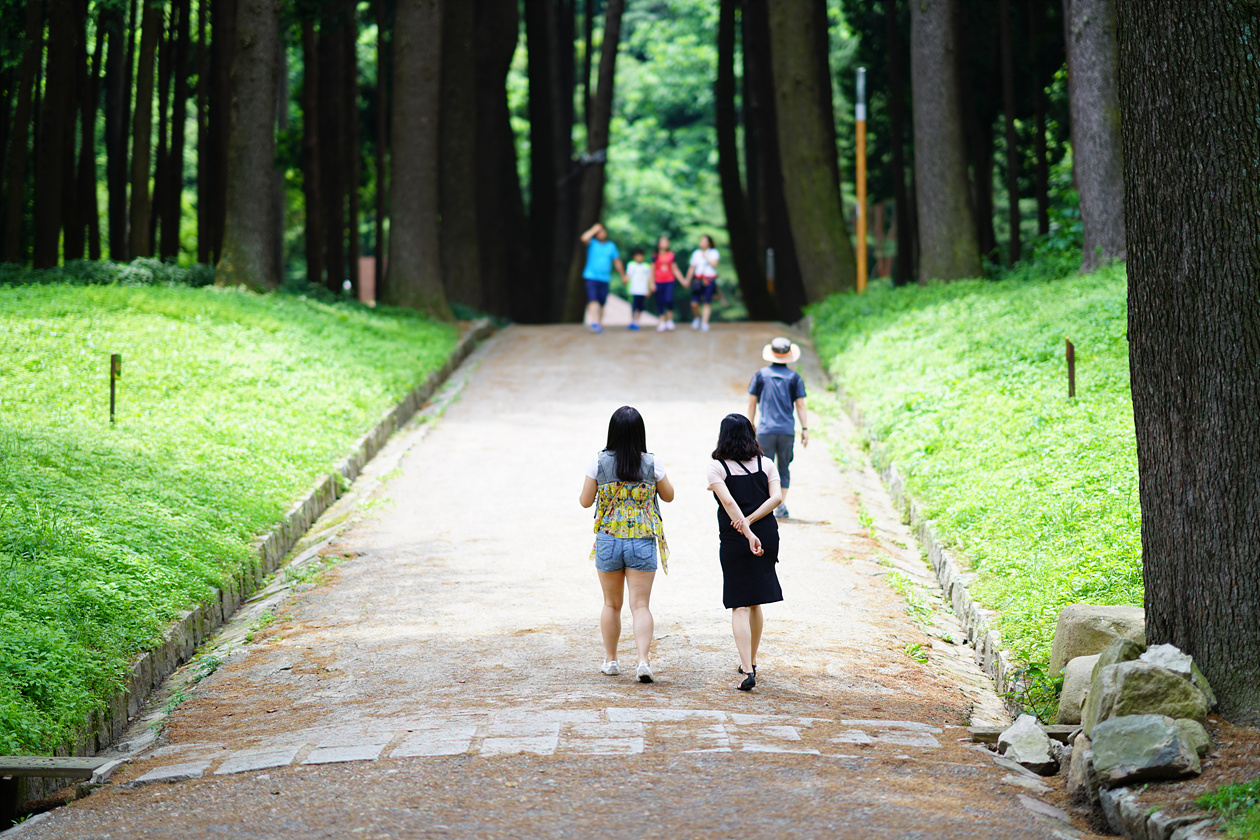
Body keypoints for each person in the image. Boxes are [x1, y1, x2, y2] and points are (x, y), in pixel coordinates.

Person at [580, 406, 674, 682]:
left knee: (611, 604)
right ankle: (643, 662)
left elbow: (585, 501)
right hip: (642, 540)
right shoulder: (652, 463)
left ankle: (611, 660)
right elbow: (669, 496)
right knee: (640, 605)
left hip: (609, 539)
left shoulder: (598, 462)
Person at [706, 413, 783, 691]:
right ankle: (751, 659)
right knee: (755, 602)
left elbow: (728, 502)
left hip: (734, 538)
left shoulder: (717, 468)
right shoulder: (767, 464)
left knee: (739, 603)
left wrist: (745, 527)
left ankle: (747, 669)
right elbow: (776, 498)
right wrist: (753, 526)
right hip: (767, 534)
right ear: (751, 434)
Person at [747, 337, 809, 519]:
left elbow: (752, 403)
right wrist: (805, 428)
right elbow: (801, 406)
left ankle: (763, 506)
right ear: (789, 355)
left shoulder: (760, 375)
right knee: (783, 468)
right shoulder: (795, 378)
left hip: (765, 430)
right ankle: (780, 506)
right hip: (786, 431)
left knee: (762, 468)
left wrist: (750, 426)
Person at [580, 222, 627, 334]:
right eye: (599, 232)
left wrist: (623, 275)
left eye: (602, 231)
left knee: (602, 302)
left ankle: (599, 323)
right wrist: (594, 229)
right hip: (591, 276)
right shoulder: (592, 243)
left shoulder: (611, 246)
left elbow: (617, 262)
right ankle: (594, 321)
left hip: (605, 279)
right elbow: (583, 238)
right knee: (592, 299)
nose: (601, 234)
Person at [685, 234, 720, 332]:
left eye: (704, 241)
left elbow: (714, 264)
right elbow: (692, 267)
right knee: (694, 302)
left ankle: (705, 322)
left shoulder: (714, 252)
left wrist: (705, 257)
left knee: (707, 302)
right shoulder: (696, 253)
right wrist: (687, 280)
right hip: (698, 280)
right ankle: (697, 318)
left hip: (709, 280)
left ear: (709, 243)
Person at [652, 235, 685, 332]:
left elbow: (675, 269)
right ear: (658, 244)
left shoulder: (671, 255)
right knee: (660, 301)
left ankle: (670, 321)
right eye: (663, 242)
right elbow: (652, 270)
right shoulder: (655, 256)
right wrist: (651, 283)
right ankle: (662, 321)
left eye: (666, 241)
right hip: (658, 281)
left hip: (669, 280)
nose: (665, 243)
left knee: (669, 299)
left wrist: (682, 280)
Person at [626, 247, 652, 331]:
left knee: (640, 306)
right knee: (634, 306)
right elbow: (628, 276)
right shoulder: (631, 265)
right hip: (634, 290)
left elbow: (649, 279)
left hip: (643, 290)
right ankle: (633, 321)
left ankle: (637, 321)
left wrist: (649, 289)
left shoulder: (646, 266)